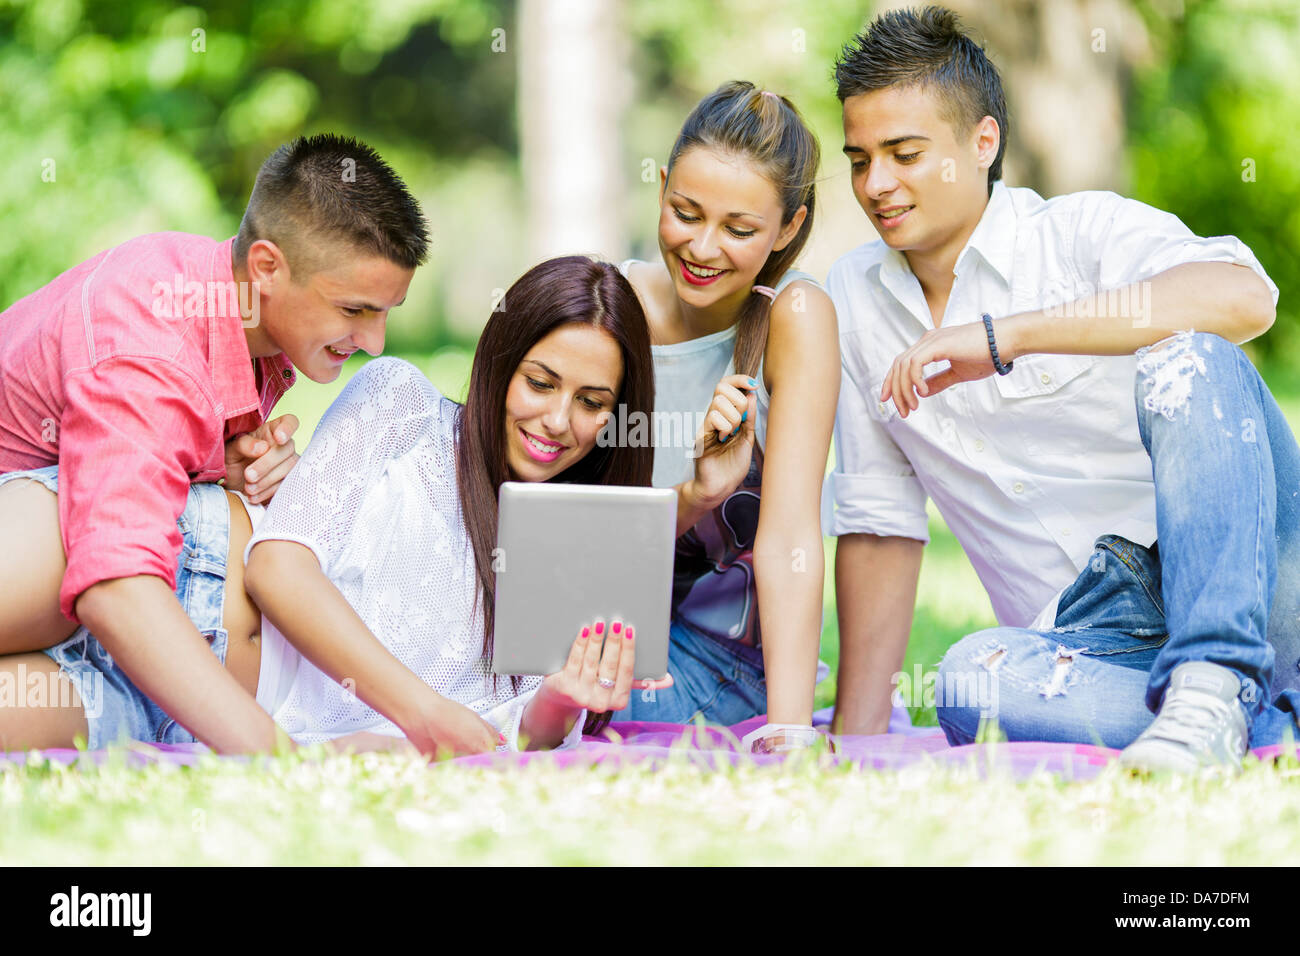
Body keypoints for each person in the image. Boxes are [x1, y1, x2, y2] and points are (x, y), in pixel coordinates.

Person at [824, 6, 1295, 772]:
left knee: (1192, 359)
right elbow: (880, 522)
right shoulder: (852, 299)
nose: (876, 185)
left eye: (905, 153)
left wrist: (1008, 334)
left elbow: (1243, 297)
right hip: (1090, 645)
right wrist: (854, 738)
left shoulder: (1078, 234)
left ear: (984, 141)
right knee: (969, 678)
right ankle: (1247, 727)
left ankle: (1218, 684)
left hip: (1256, 582)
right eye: (858, 159)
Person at [0, 256, 664, 755]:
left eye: (592, 402)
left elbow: (515, 737)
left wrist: (563, 696)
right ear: (500, 363)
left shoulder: (575, 559)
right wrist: (420, 712)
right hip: (180, 557)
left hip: (182, 711)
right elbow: (278, 567)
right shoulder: (402, 402)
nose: (556, 420)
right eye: (541, 383)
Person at [0, 133, 429, 755]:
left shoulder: (243, 316)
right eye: (355, 309)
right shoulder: (149, 340)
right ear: (266, 267)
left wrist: (215, 465)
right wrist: (280, 762)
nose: (375, 341)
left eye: (387, 310)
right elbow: (115, 582)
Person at [612, 81, 840, 753]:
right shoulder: (616, 300)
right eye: (685, 213)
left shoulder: (793, 319)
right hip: (606, 620)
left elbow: (792, 534)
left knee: (570, 701)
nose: (704, 248)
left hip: (721, 657)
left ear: (789, 228)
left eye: (739, 230)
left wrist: (791, 730)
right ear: (659, 190)